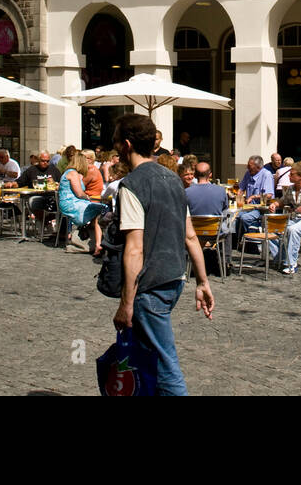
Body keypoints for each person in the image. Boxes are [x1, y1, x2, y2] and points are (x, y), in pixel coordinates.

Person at [110, 113, 213, 395]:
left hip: (150, 285)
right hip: (175, 278)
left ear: (127, 144)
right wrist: (202, 282)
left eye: (116, 142)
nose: (116, 149)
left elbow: (135, 248)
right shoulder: (174, 180)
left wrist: (126, 304)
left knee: (166, 367)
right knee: (148, 362)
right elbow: (190, 235)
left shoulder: (132, 185)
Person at [58, 151, 107, 254]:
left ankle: (95, 242)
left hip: (70, 202)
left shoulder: (70, 172)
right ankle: (98, 243)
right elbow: (79, 193)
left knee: (98, 211)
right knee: (103, 209)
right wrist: (88, 197)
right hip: (72, 203)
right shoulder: (73, 173)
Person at [234, 154, 276, 241]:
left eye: (250, 166)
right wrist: (238, 195)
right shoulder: (248, 173)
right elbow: (241, 188)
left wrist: (254, 196)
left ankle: (253, 240)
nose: (247, 168)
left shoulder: (266, 175)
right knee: (234, 216)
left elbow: (269, 195)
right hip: (248, 207)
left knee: (245, 218)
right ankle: (237, 241)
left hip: (260, 209)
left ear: (258, 167)